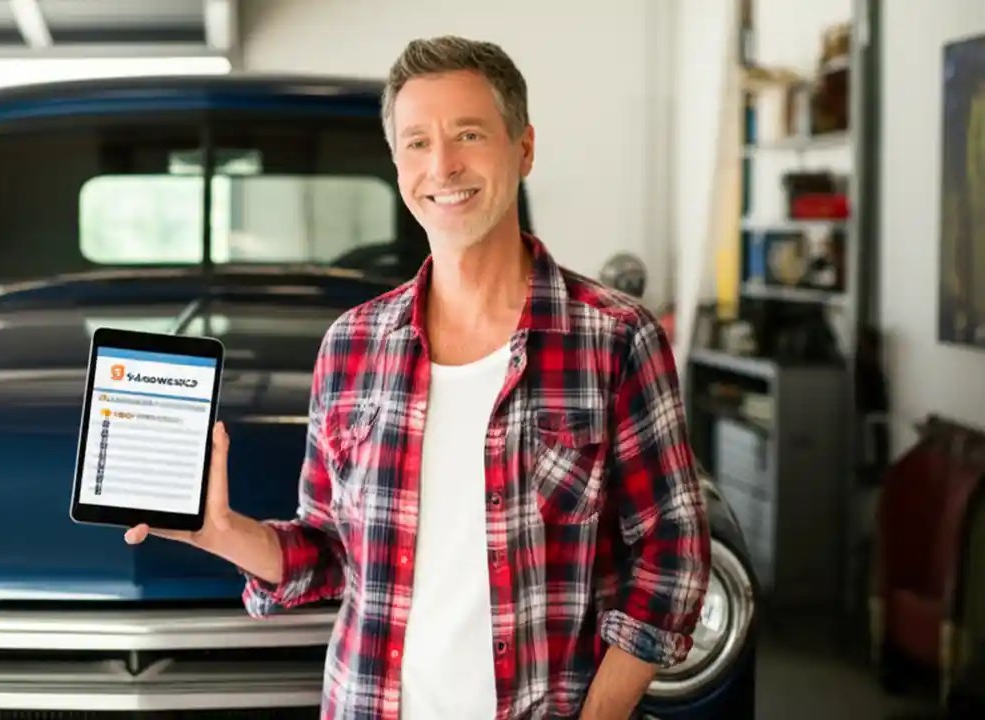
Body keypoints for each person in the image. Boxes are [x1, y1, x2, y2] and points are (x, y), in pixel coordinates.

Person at [125, 35, 711, 720]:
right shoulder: (351, 345)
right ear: (397, 163)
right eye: (416, 142)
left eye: (468, 134)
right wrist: (220, 531)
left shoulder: (614, 339)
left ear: (523, 148)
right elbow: (328, 553)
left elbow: (674, 556)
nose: (443, 165)